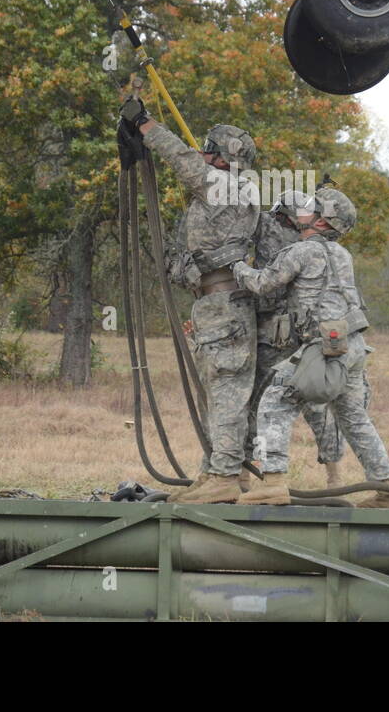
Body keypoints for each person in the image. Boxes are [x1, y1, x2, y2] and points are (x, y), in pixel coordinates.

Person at [230, 187, 389, 508]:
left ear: (323, 223)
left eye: (312, 207)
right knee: (354, 417)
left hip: (323, 348)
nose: (303, 210)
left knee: (274, 399)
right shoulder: (342, 255)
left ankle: (273, 483)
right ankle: (387, 490)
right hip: (353, 346)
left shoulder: (302, 252)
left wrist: (237, 266)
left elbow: (262, 284)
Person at [122, 105, 259, 504]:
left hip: (224, 304)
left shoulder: (225, 186)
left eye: (208, 149)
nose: (201, 155)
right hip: (214, 304)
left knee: (227, 391)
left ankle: (225, 476)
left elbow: (181, 160)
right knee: (216, 392)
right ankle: (217, 472)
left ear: (221, 158)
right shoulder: (232, 189)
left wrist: (145, 124)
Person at [246, 190, 345, 489]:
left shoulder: (280, 236)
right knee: (313, 408)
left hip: (282, 336)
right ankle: (333, 476)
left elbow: (261, 283)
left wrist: (240, 269)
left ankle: (257, 476)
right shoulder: (321, 246)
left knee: (264, 407)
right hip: (295, 336)